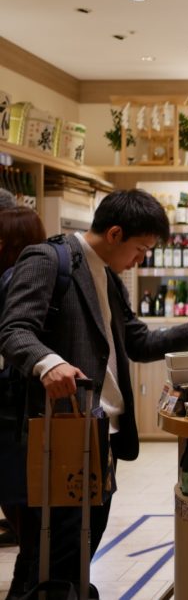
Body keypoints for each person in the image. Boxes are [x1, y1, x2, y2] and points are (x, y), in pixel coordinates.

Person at [0, 189, 188, 598]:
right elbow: (15, 330)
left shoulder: (107, 275)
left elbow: (137, 341)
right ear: (114, 234)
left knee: (76, 550)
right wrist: (48, 363)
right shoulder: (48, 259)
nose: (140, 259)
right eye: (140, 249)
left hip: (101, 435)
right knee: (53, 554)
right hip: (61, 434)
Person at [0, 207, 47, 598]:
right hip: (25, 409)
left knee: (21, 501)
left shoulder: (13, 279)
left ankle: (26, 583)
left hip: (14, 410)